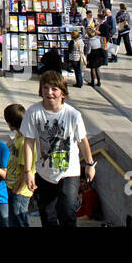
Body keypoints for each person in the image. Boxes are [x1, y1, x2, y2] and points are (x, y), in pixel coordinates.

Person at [21, 71, 95, 227]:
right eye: (45, 88)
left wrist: (89, 164)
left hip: (69, 171)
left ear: (62, 92)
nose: (49, 93)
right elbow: (28, 142)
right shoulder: (33, 113)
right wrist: (28, 171)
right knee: (47, 214)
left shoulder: (73, 115)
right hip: (44, 171)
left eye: (54, 89)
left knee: (67, 210)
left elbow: (82, 141)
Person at [3, 103, 35, 227]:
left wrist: (17, 190)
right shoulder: (18, 136)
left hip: (20, 190)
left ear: (12, 122)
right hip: (13, 186)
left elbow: (25, 170)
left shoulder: (24, 142)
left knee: (18, 221)